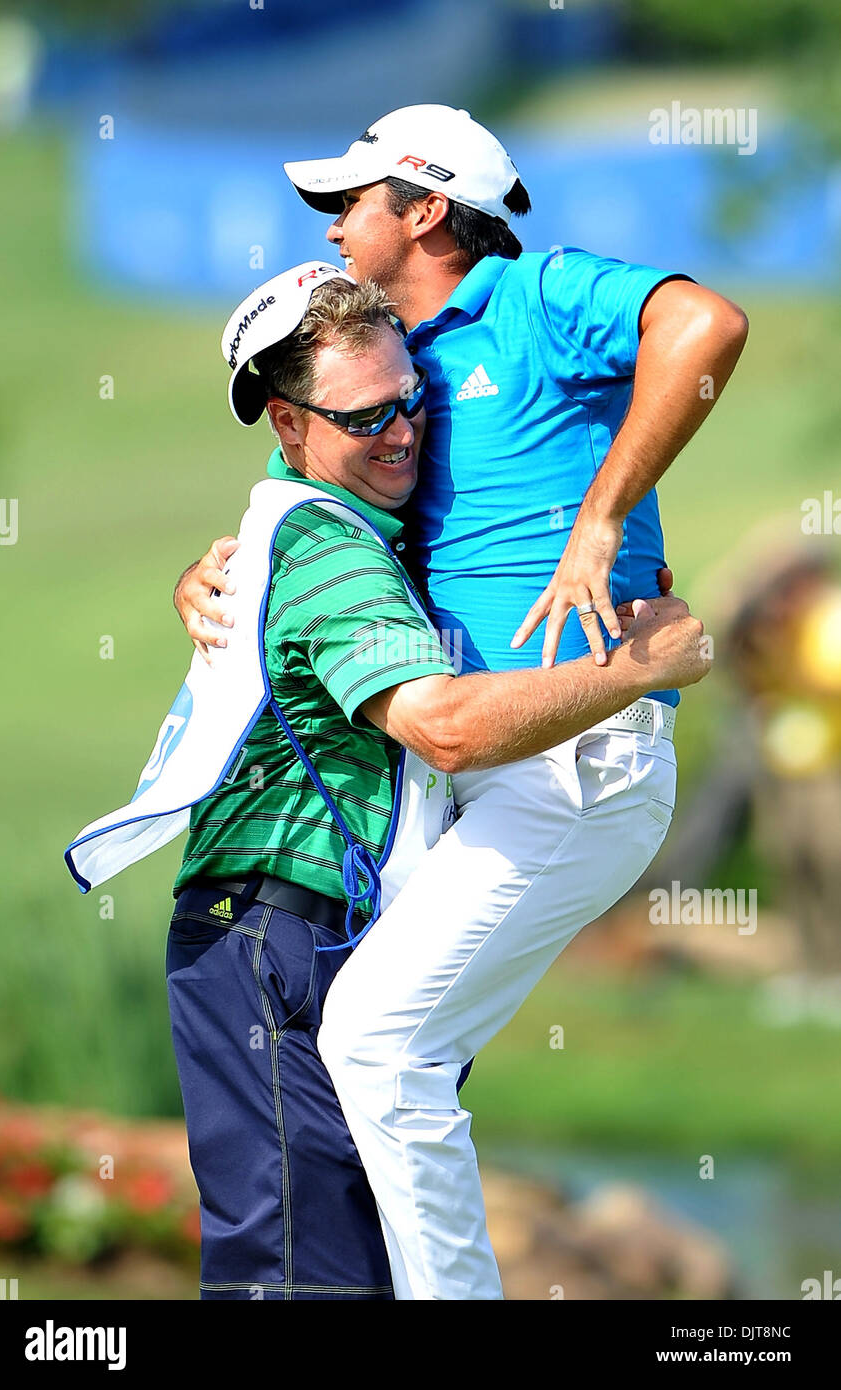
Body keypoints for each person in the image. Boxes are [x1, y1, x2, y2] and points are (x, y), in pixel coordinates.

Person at [174, 103, 745, 1299]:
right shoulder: (393, 369)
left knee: (377, 1047)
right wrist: (203, 574)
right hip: (464, 775)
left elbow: (706, 324)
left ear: (425, 207)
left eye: (352, 201)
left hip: (575, 755)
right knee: (389, 1068)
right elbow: (299, 506)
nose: (332, 225)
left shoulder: (533, 295)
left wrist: (601, 517)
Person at [67, 262, 711, 1302]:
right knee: (298, 1278)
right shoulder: (335, 552)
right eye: (364, 416)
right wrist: (641, 667)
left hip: (309, 930)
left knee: (352, 1267)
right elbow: (445, 730)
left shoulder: (347, 526)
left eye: (410, 399)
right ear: (289, 424)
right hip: (272, 938)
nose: (402, 430)